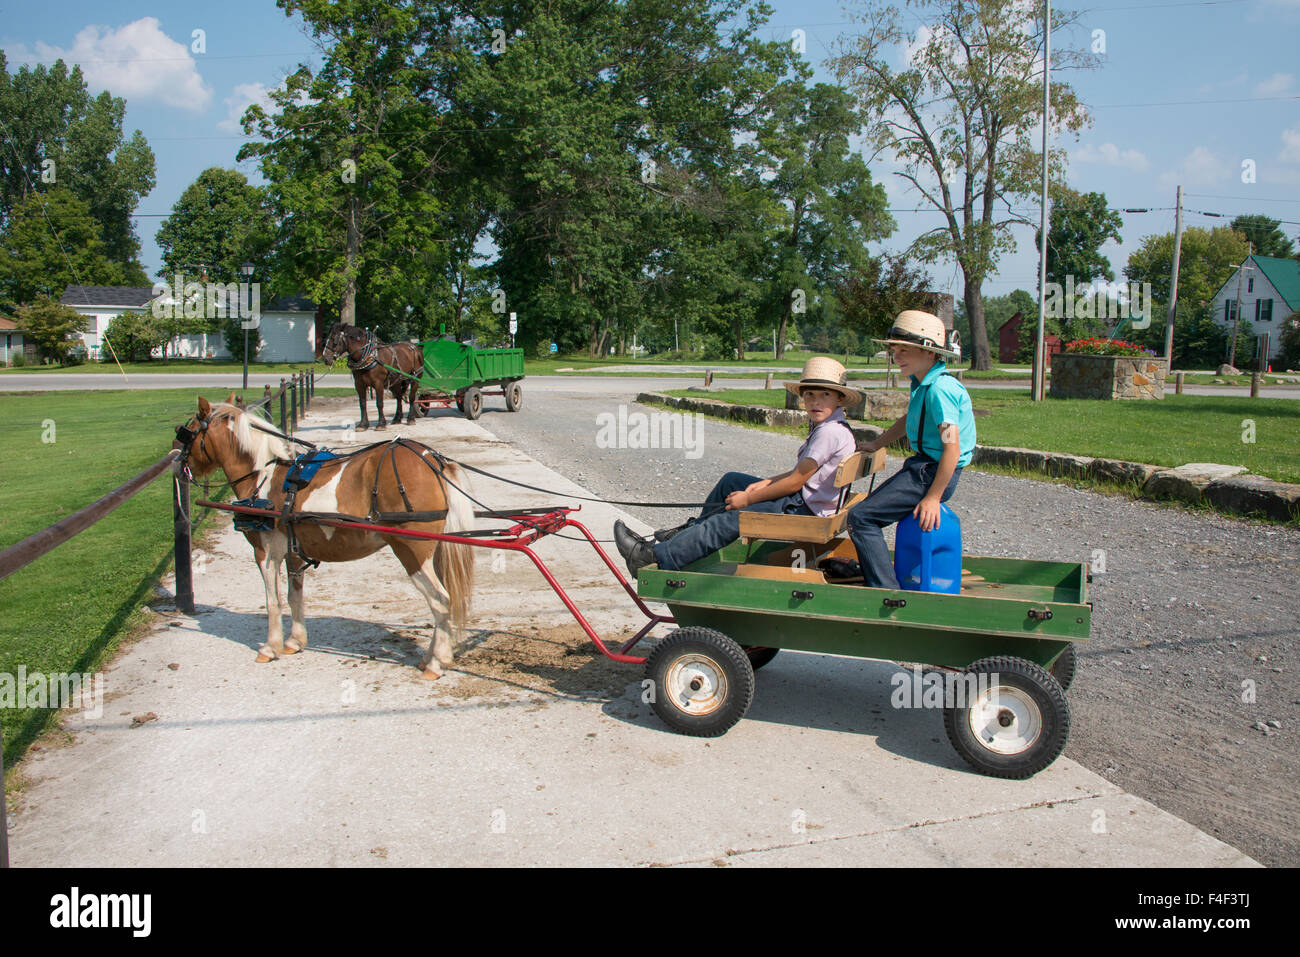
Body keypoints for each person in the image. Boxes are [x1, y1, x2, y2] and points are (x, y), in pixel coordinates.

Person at [613, 356, 860, 577]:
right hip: (809, 501)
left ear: (839, 399)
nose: (816, 402)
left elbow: (796, 481)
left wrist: (748, 499)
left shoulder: (828, 433)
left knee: (732, 519)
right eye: (810, 395)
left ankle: (652, 556)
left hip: (804, 509)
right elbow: (801, 474)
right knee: (732, 481)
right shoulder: (833, 428)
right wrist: (764, 483)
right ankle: (687, 540)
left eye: (825, 395)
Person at [846, 309, 975, 589]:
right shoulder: (923, 384)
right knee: (865, 513)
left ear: (930, 353)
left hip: (932, 473)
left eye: (906, 350)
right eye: (895, 350)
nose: (898, 357)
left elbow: (952, 449)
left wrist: (933, 498)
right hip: (923, 466)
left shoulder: (940, 390)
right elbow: (909, 420)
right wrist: (878, 443)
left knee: (861, 517)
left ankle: (886, 593)